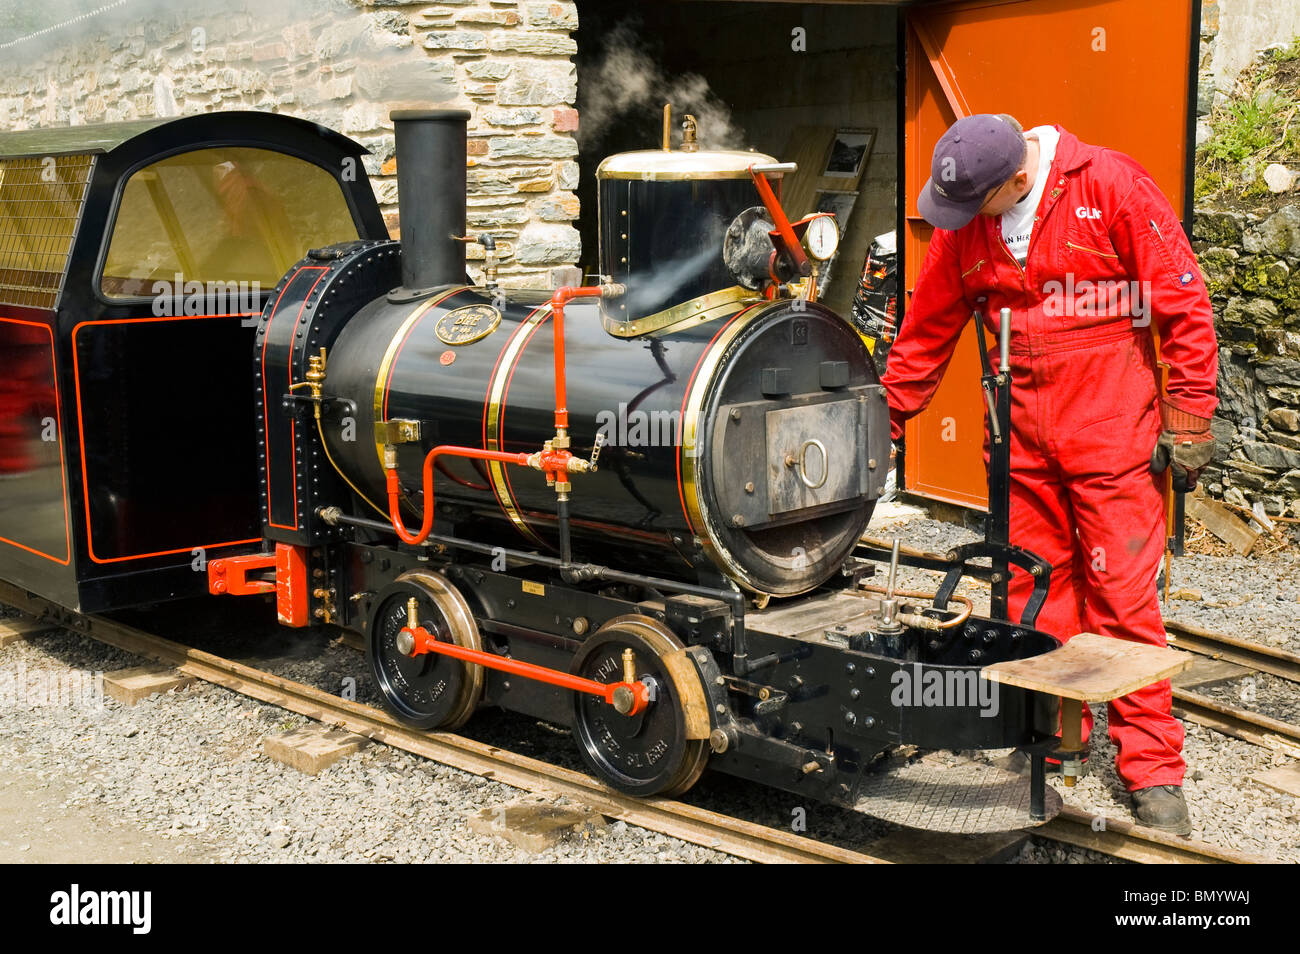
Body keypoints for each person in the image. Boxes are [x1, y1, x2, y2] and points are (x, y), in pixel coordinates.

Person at [881, 114, 1218, 834]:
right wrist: (880, 427)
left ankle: (1153, 770)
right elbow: (925, 335)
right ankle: (1051, 737)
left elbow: (1183, 301)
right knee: (1033, 591)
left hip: (1113, 436)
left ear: (1020, 180)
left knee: (1123, 606)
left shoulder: (1112, 186)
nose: (960, 224)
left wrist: (1189, 417)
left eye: (974, 209)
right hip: (1019, 441)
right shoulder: (972, 214)